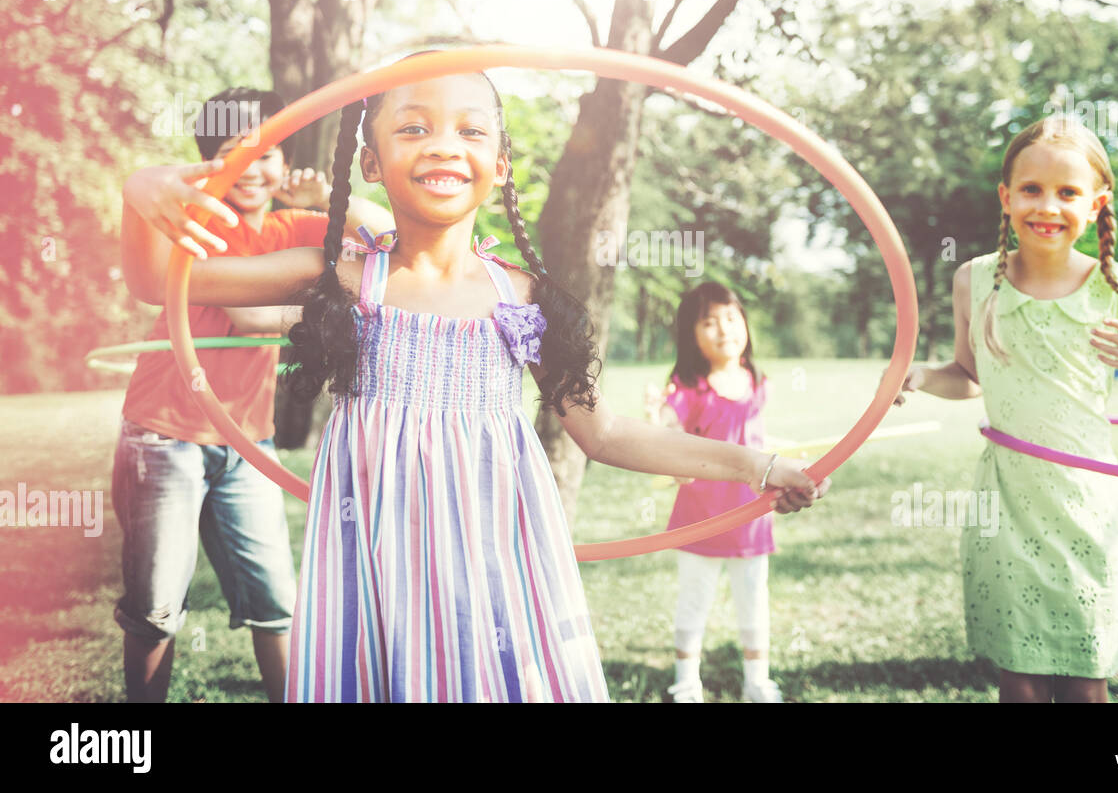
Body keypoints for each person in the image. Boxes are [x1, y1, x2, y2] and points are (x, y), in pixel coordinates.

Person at [120, 61, 828, 702]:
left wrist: (755, 465)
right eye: (414, 128)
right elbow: (161, 280)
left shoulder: (525, 300)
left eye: (470, 129)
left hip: (494, 578)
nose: (442, 145)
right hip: (376, 573)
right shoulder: (335, 278)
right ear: (369, 159)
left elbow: (605, 433)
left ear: (500, 160)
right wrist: (141, 187)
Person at [893, 115, 1118, 702]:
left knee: (1086, 676)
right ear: (1006, 197)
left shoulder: (1111, 285)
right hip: (1008, 498)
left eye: (1067, 192)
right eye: (1032, 189)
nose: (1048, 206)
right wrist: (925, 376)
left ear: (1095, 205)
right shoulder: (975, 281)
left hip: (1084, 501)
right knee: (1021, 674)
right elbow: (969, 377)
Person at [115, 88, 393, 703]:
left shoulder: (293, 226)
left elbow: (389, 238)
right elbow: (246, 318)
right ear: (205, 163)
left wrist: (329, 199)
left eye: (267, 151)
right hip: (164, 435)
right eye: (231, 152)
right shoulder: (194, 225)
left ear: (285, 158)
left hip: (246, 441)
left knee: (278, 603)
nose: (252, 166)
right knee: (157, 607)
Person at [645, 282, 783, 703]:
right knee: (694, 599)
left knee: (753, 600)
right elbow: (668, 427)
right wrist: (659, 421)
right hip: (701, 518)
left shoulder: (758, 382)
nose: (723, 329)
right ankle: (686, 682)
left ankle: (756, 680)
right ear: (692, 335)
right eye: (709, 322)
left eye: (730, 317)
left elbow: (758, 437)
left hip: (752, 516)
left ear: (744, 322)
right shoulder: (689, 387)